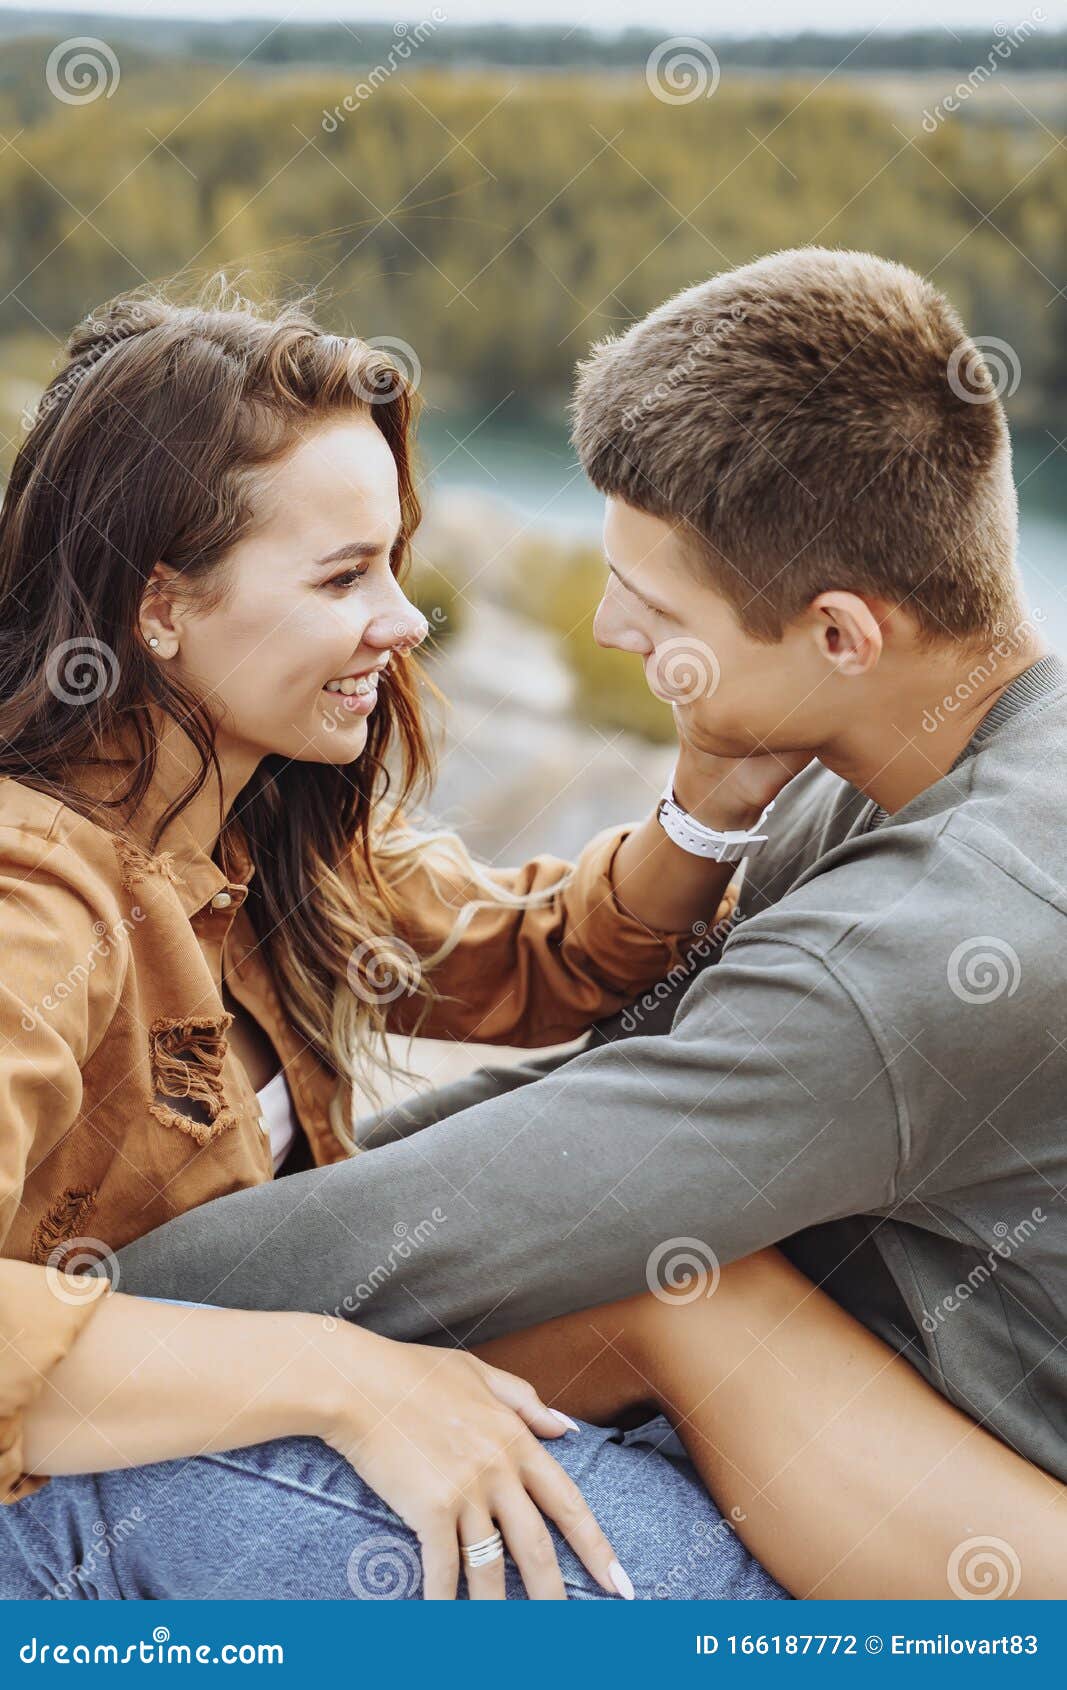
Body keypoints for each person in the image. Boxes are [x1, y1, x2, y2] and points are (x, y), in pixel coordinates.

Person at [95, 248, 1067, 1599]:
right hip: (856, 1402)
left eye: (654, 606)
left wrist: (73, 1315)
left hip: (990, 1545)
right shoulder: (902, 773)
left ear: (842, 636)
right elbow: (600, 1098)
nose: (608, 626)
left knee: (111, 1490)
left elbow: (507, 1206)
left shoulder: (931, 941)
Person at [0, 277, 781, 1601]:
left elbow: (541, 953)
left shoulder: (260, 828)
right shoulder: (34, 894)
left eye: (395, 560)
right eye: (343, 575)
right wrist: (346, 1375)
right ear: (161, 607)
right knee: (672, 1586)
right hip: (59, 1507)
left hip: (218, 1436)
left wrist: (712, 802)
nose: (407, 620)